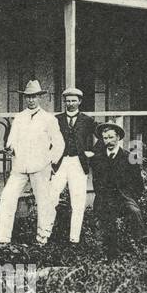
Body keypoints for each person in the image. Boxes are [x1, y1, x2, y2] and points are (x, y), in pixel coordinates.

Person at [0, 80, 65, 244]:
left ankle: (42, 238)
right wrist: (10, 148)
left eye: (34, 97)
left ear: (40, 98)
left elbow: (59, 144)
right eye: (28, 97)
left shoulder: (49, 119)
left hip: (40, 167)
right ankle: (2, 237)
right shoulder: (19, 117)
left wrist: (51, 163)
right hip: (20, 166)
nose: (31, 100)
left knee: (43, 202)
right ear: (25, 98)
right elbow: (12, 139)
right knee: (7, 197)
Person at [44, 87, 99, 244]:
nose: (71, 103)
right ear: (64, 102)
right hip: (60, 163)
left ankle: (74, 240)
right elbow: (46, 139)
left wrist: (92, 152)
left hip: (78, 163)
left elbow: (102, 135)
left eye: (74, 100)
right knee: (51, 198)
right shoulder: (56, 119)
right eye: (68, 101)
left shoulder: (87, 120)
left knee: (78, 201)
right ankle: (44, 237)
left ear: (79, 102)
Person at [90, 122, 144, 256]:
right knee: (104, 221)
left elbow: (138, 183)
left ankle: (140, 245)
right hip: (104, 198)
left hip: (123, 197)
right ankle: (109, 253)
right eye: (105, 138)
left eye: (111, 137)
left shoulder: (129, 157)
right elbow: (96, 181)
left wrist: (130, 197)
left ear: (118, 137)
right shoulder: (98, 158)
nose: (108, 141)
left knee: (134, 211)